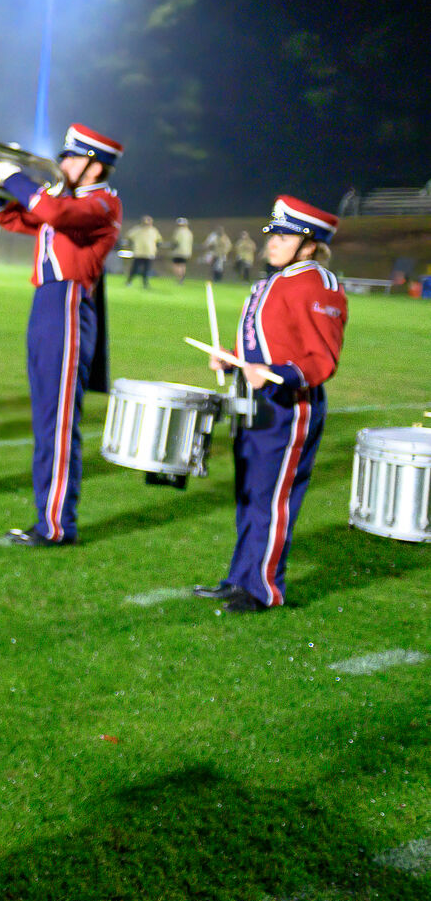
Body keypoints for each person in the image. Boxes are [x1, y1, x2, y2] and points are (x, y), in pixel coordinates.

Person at [193, 197, 346, 613]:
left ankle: (263, 590)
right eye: (273, 234)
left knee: (272, 499)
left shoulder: (318, 284)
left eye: (284, 236)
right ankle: (240, 579)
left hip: (288, 406)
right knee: (250, 496)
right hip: (253, 401)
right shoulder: (274, 281)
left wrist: (278, 373)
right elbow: (262, 345)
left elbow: (322, 358)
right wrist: (232, 359)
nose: (272, 243)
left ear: (309, 245)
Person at [0, 123, 124, 546]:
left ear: (93, 166)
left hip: (68, 304)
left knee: (58, 421)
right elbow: (16, 219)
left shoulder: (102, 203)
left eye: (71, 157)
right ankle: (48, 518)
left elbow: (56, 215)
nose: (62, 163)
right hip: (47, 303)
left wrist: (15, 178)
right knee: (46, 417)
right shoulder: (64, 200)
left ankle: (56, 525)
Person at [125, 214, 160, 287]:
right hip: (139, 252)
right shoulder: (137, 229)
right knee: (134, 268)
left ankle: (145, 283)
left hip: (149, 253)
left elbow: (158, 240)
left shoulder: (153, 230)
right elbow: (129, 236)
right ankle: (129, 281)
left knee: (146, 269)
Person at [170, 216, 194, 283]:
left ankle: (179, 278)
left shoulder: (178, 232)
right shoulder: (189, 232)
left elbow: (175, 241)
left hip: (178, 251)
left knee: (176, 265)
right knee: (183, 265)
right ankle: (182, 278)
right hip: (187, 252)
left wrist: (172, 248)